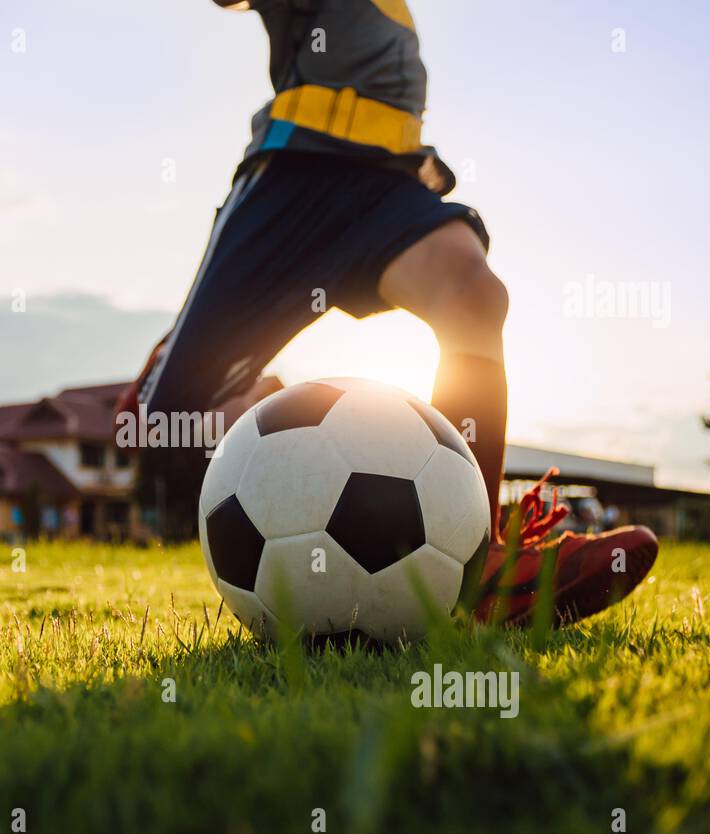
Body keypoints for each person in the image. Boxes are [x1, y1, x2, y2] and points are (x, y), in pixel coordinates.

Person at [116, 0, 657, 625]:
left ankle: (477, 566)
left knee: (474, 295)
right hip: (296, 175)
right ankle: (188, 374)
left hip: (386, 180)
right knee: (163, 419)